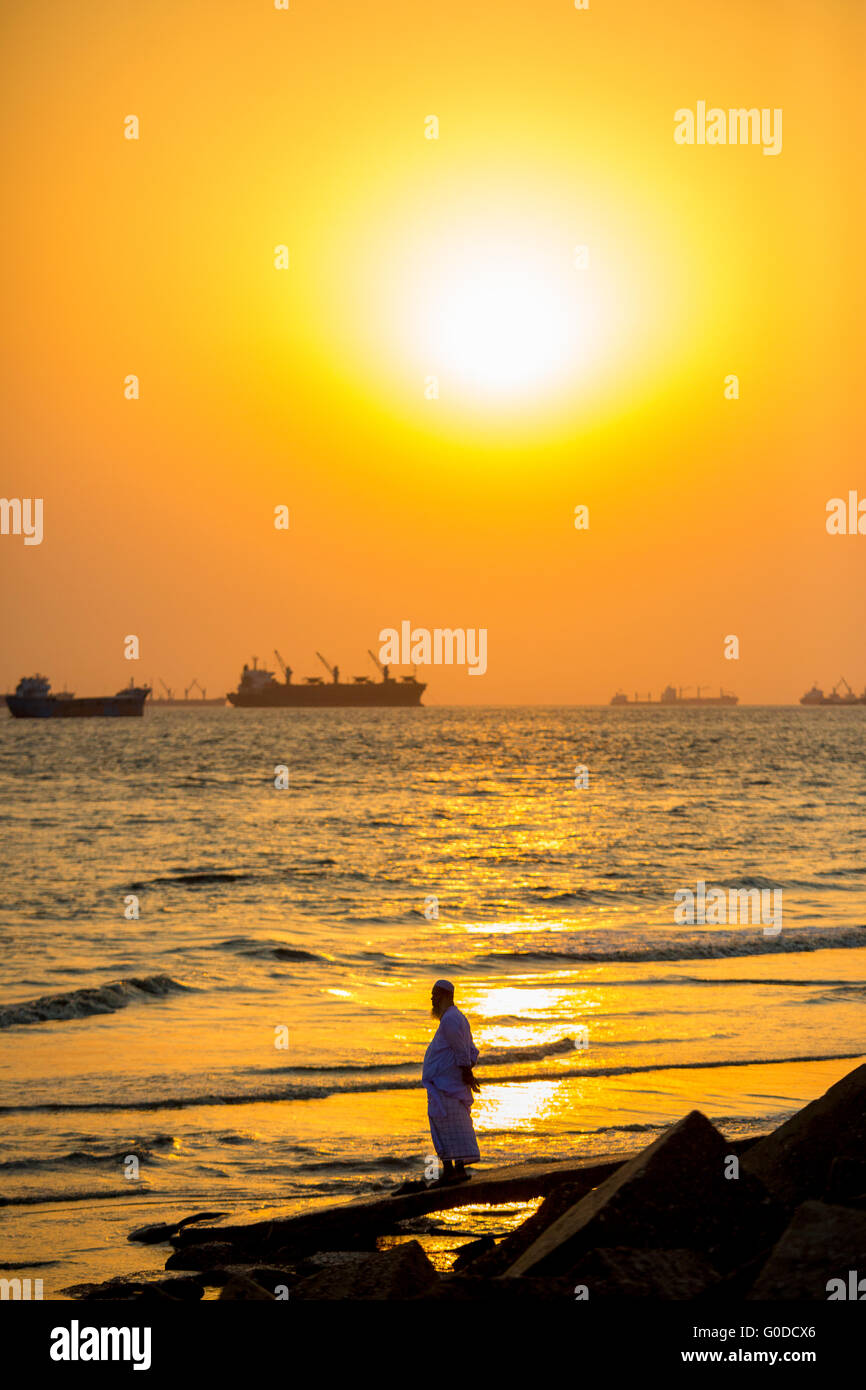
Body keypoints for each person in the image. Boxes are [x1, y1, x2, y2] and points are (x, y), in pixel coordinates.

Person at [422, 979, 481, 1184]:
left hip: (447, 1085)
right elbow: (470, 1050)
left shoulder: (451, 1019)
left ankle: (451, 1173)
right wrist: (466, 1073)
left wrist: (466, 1074)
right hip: (447, 1084)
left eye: (434, 995)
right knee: (452, 1125)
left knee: (447, 1125)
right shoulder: (455, 1017)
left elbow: (463, 1050)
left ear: (446, 995)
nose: (432, 999)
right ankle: (456, 1171)